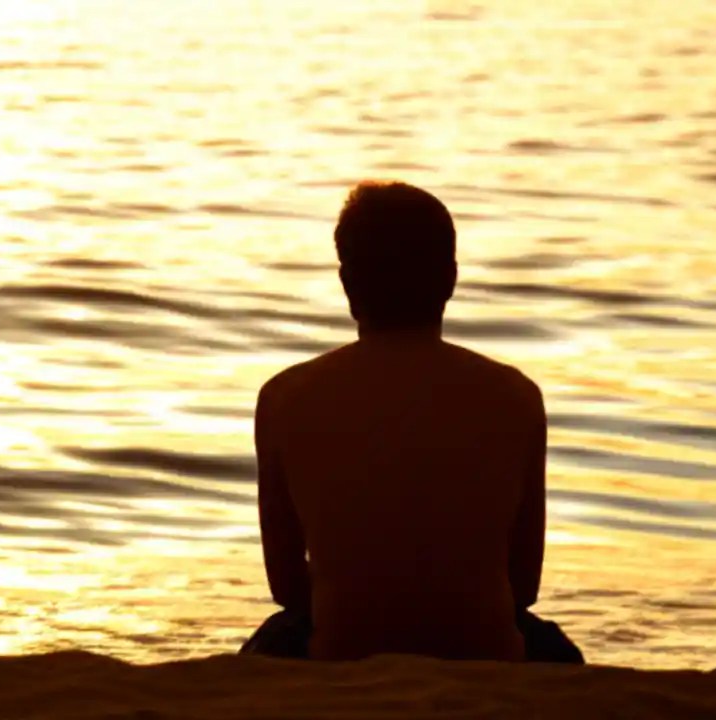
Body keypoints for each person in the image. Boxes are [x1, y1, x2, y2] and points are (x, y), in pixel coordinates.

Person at [240, 181, 582, 663]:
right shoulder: (516, 396)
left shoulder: (284, 397)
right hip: (490, 654)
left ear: (347, 282)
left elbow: (287, 587)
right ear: (451, 279)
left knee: (272, 640)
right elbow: (523, 586)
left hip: (337, 652)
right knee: (556, 649)